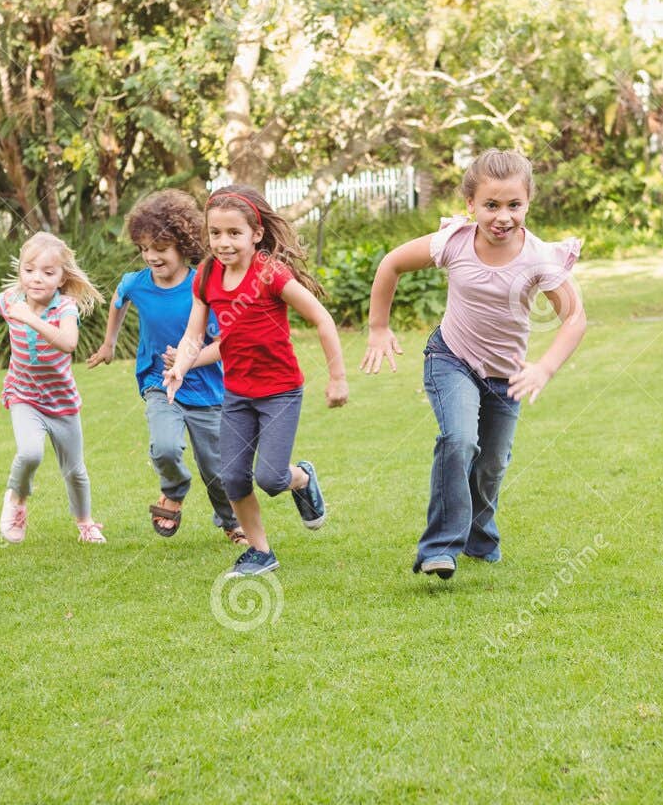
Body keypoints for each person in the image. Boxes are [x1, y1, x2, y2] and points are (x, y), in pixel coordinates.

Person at [361, 149, 586, 579]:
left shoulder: (538, 258)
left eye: (514, 205)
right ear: (471, 205)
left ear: (528, 204)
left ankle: (480, 537)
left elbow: (574, 317)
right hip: (452, 358)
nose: (503, 216)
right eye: (491, 205)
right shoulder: (454, 242)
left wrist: (544, 368)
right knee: (460, 440)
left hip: (507, 376)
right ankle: (439, 548)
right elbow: (391, 264)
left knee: (492, 463)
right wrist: (378, 327)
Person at [163, 185, 348, 578]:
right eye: (216, 233)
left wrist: (337, 378)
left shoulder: (270, 273)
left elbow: (322, 318)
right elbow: (195, 335)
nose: (224, 243)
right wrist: (181, 365)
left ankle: (302, 478)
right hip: (237, 393)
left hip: (279, 392)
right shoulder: (207, 276)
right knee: (231, 475)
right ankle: (260, 552)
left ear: (256, 234)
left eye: (234, 233)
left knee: (270, 477)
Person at [87, 190, 245, 546]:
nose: (150, 256)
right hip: (159, 382)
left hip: (207, 389)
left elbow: (224, 346)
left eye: (159, 248)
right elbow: (118, 298)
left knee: (217, 469)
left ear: (182, 245)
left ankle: (231, 521)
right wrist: (109, 343)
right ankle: (173, 491)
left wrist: (189, 360)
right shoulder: (137, 283)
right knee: (165, 448)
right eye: (144, 248)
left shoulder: (202, 286)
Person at [0, 232, 108, 543]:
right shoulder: (11, 301)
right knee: (29, 453)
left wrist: (30, 319)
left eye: (47, 272)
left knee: (75, 472)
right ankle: (17, 500)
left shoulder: (64, 307)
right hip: (23, 395)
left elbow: (69, 343)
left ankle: (85, 524)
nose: (36, 279)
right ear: (20, 272)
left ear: (61, 277)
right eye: (29, 270)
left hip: (62, 402)